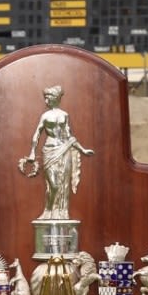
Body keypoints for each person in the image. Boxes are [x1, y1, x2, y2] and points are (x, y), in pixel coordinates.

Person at [20, 84, 95, 220]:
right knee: (53, 185)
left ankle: (60, 211)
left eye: (48, 98)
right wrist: (32, 152)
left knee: (63, 183)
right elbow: (37, 134)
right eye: (45, 98)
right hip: (49, 151)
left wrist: (83, 150)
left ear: (55, 98)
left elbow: (69, 136)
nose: (45, 101)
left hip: (64, 149)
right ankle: (48, 210)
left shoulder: (64, 115)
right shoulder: (45, 116)